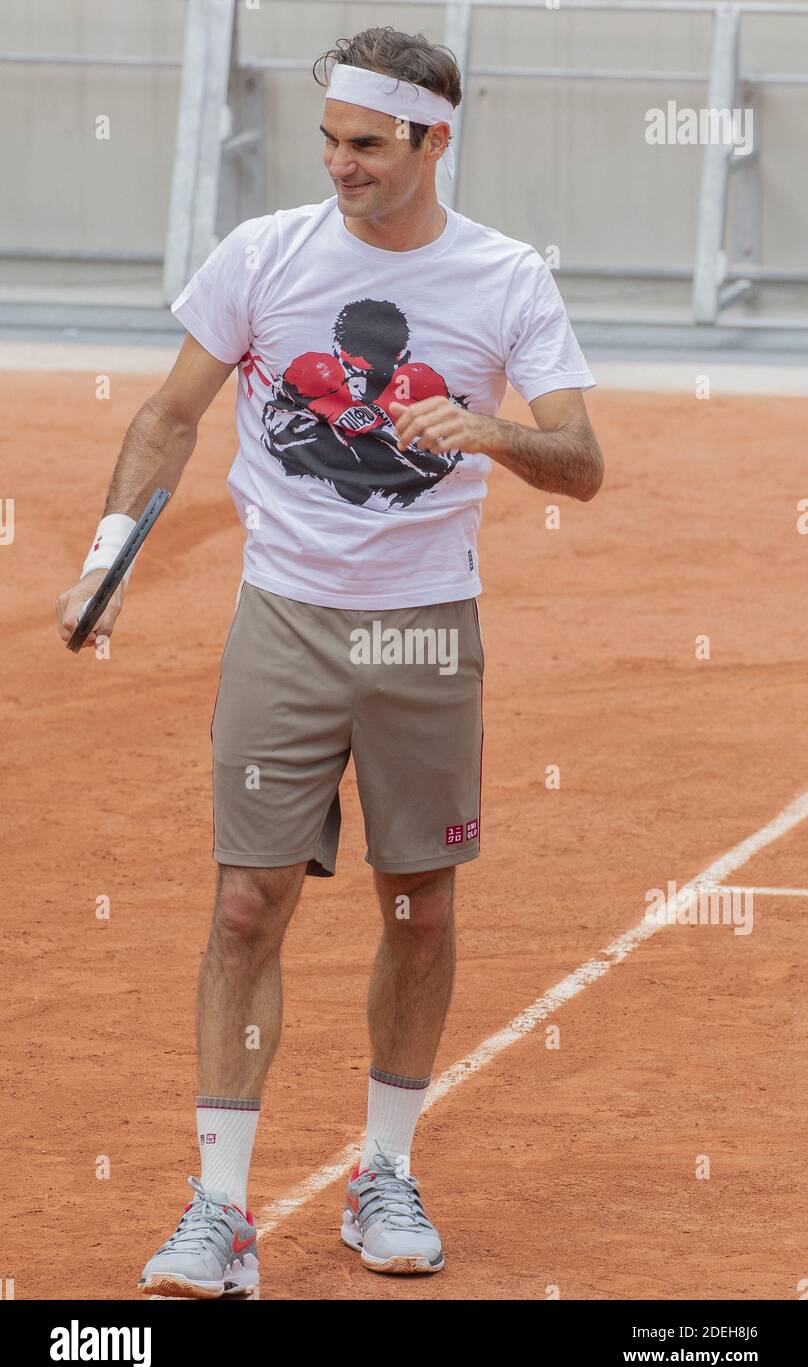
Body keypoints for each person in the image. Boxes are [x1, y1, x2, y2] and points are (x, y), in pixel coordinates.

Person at [55, 25, 603, 1299]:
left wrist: (488, 430)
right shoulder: (266, 257)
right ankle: (218, 1210)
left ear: (430, 141)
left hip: (426, 631)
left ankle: (383, 1175)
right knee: (246, 905)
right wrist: (105, 553)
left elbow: (582, 462)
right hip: (285, 621)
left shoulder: (508, 279)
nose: (341, 165)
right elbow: (169, 415)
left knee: (421, 908)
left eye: (367, 144)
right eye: (330, 141)